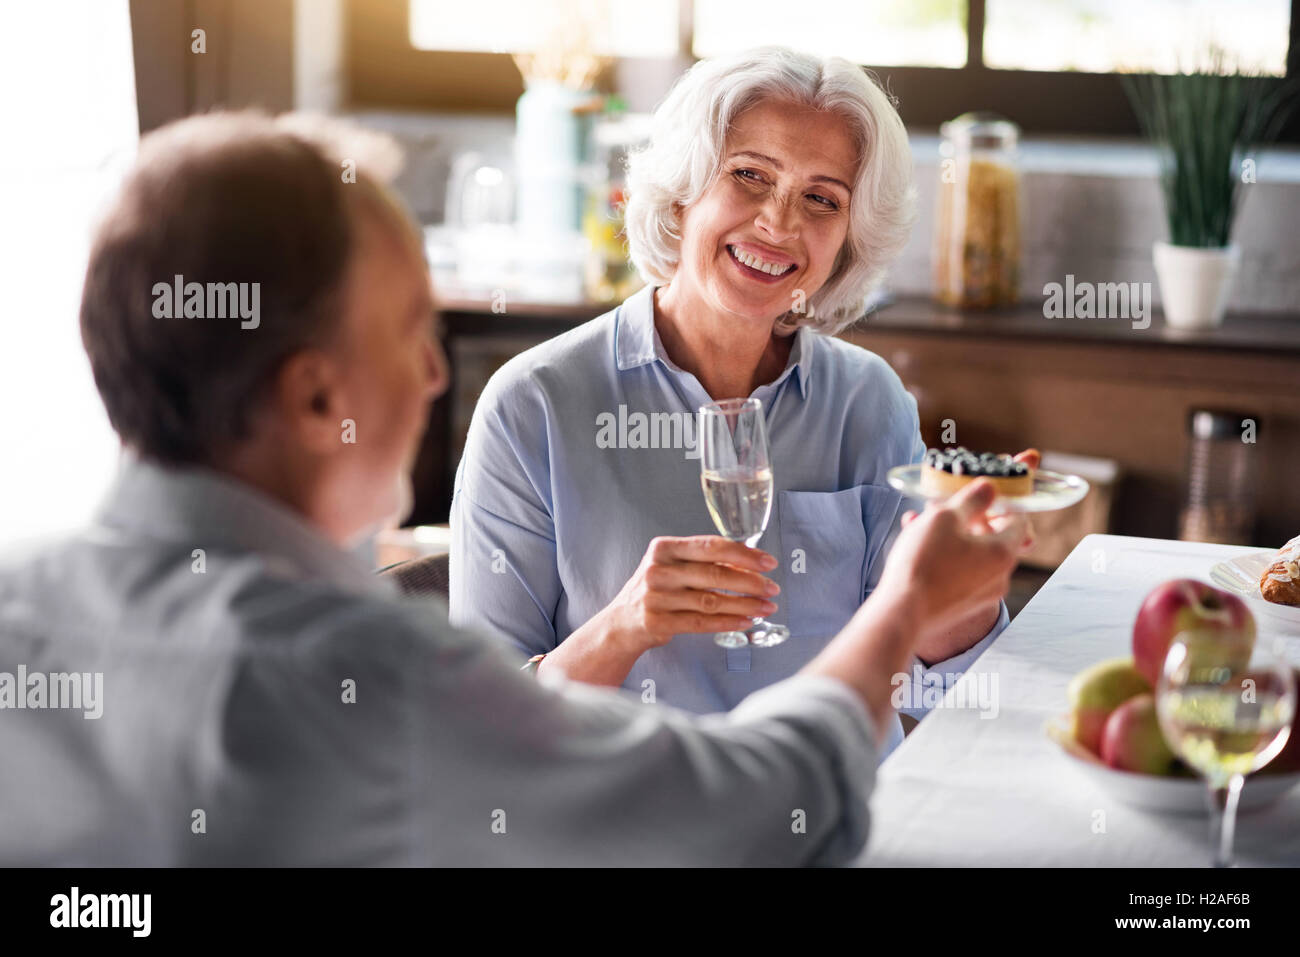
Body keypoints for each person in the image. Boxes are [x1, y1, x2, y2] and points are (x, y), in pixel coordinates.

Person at [0, 111, 1027, 866]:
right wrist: (898, 609)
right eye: (413, 333)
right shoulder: (371, 676)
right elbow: (763, 814)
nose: (437, 375)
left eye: (819, 196)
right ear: (317, 397)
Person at [450, 46, 1035, 751]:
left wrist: (957, 586)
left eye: (822, 198)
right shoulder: (533, 406)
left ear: (848, 241)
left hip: (833, 821)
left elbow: (945, 699)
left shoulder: (868, 398)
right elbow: (480, 733)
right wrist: (626, 622)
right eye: (749, 175)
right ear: (682, 190)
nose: (780, 222)